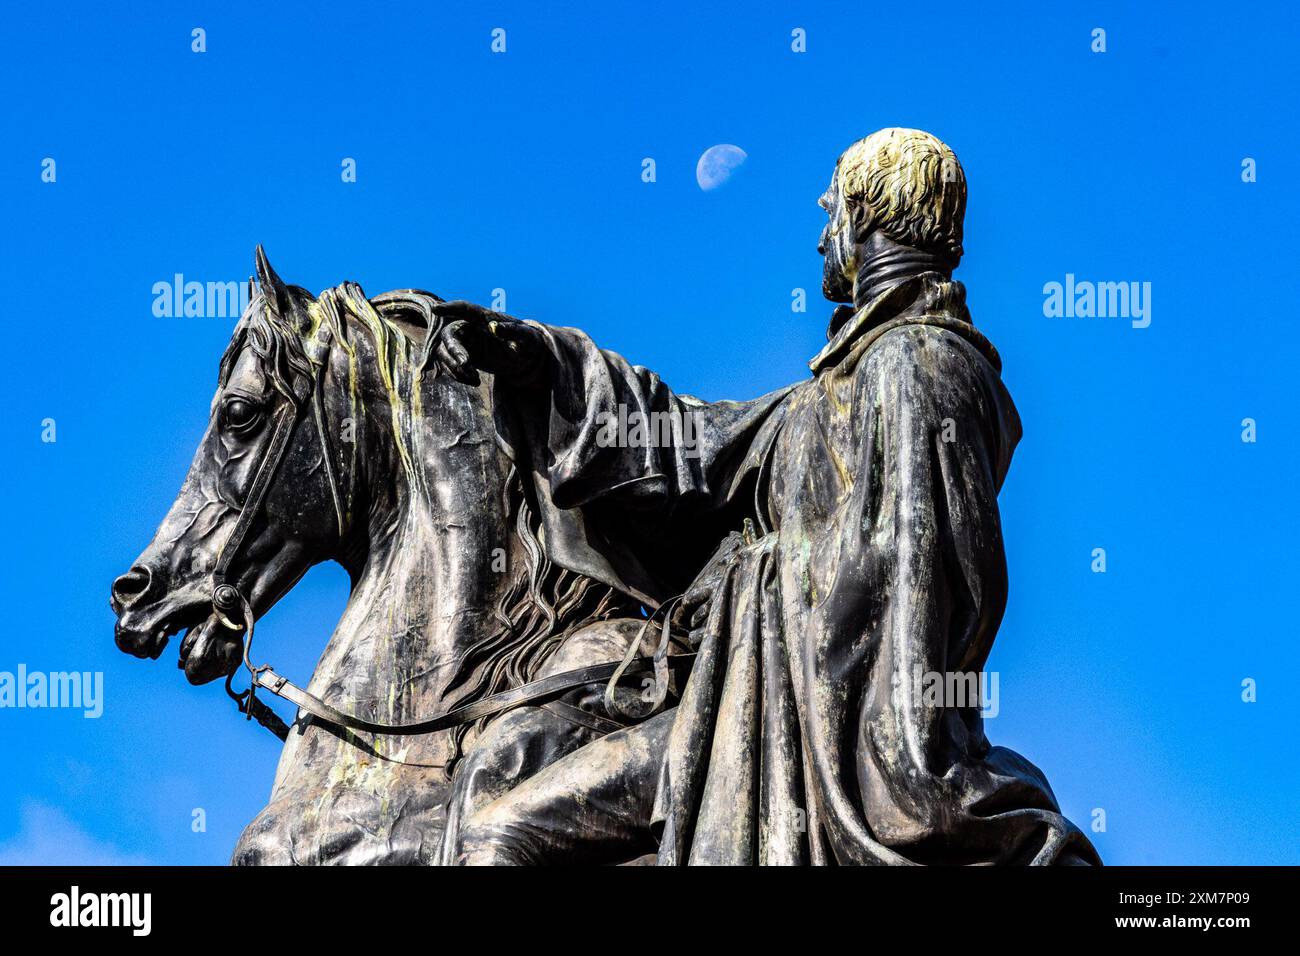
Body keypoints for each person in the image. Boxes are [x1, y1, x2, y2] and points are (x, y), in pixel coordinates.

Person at [433, 128, 1100, 865]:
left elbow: (912, 586)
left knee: (504, 836)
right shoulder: (824, 397)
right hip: (746, 704)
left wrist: (754, 579)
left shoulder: (921, 367)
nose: (822, 236)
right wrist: (542, 363)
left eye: (831, 212)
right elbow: (690, 441)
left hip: (846, 749)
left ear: (868, 213)